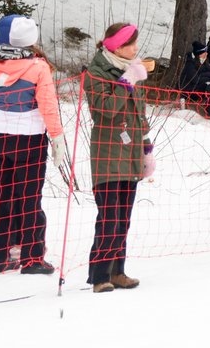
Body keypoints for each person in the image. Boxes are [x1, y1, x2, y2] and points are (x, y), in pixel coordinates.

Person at [0, 15, 64, 275]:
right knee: (29, 197)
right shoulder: (38, 67)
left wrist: (5, 104)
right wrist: (57, 136)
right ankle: (32, 257)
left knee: (1, 196)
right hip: (28, 139)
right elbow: (47, 105)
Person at [84, 23, 151, 293]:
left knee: (124, 218)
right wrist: (127, 82)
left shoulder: (132, 69)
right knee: (109, 218)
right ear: (116, 46)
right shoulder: (96, 72)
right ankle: (99, 276)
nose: (135, 48)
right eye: (130, 44)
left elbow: (139, 112)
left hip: (131, 151)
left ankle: (118, 271)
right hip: (108, 153)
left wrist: (146, 146)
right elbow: (106, 108)